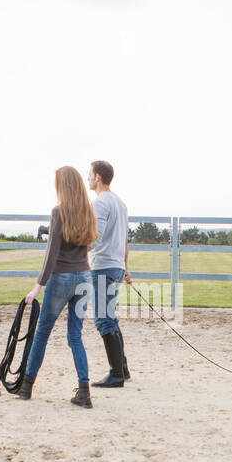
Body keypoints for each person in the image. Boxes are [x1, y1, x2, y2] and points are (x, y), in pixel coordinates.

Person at [17, 166, 98, 407]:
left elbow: (51, 253)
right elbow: (85, 244)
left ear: (61, 186)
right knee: (75, 336)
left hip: (61, 278)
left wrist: (37, 286)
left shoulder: (58, 211)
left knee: (42, 332)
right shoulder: (87, 213)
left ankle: (26, 387)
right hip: (84, 277)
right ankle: (84, 391)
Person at [87, 160, 131, 388]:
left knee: (103, 319)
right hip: (116, 265)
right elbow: (124, 240)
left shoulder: (101, 202)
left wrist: (75, 251)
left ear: (98, 177)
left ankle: (116, 375)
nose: (87, 178)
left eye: (89, 174)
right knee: (110, 317)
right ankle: (122, 368)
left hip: (103, 265)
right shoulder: (120, 204)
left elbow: (95, 237)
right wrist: (125, 267)